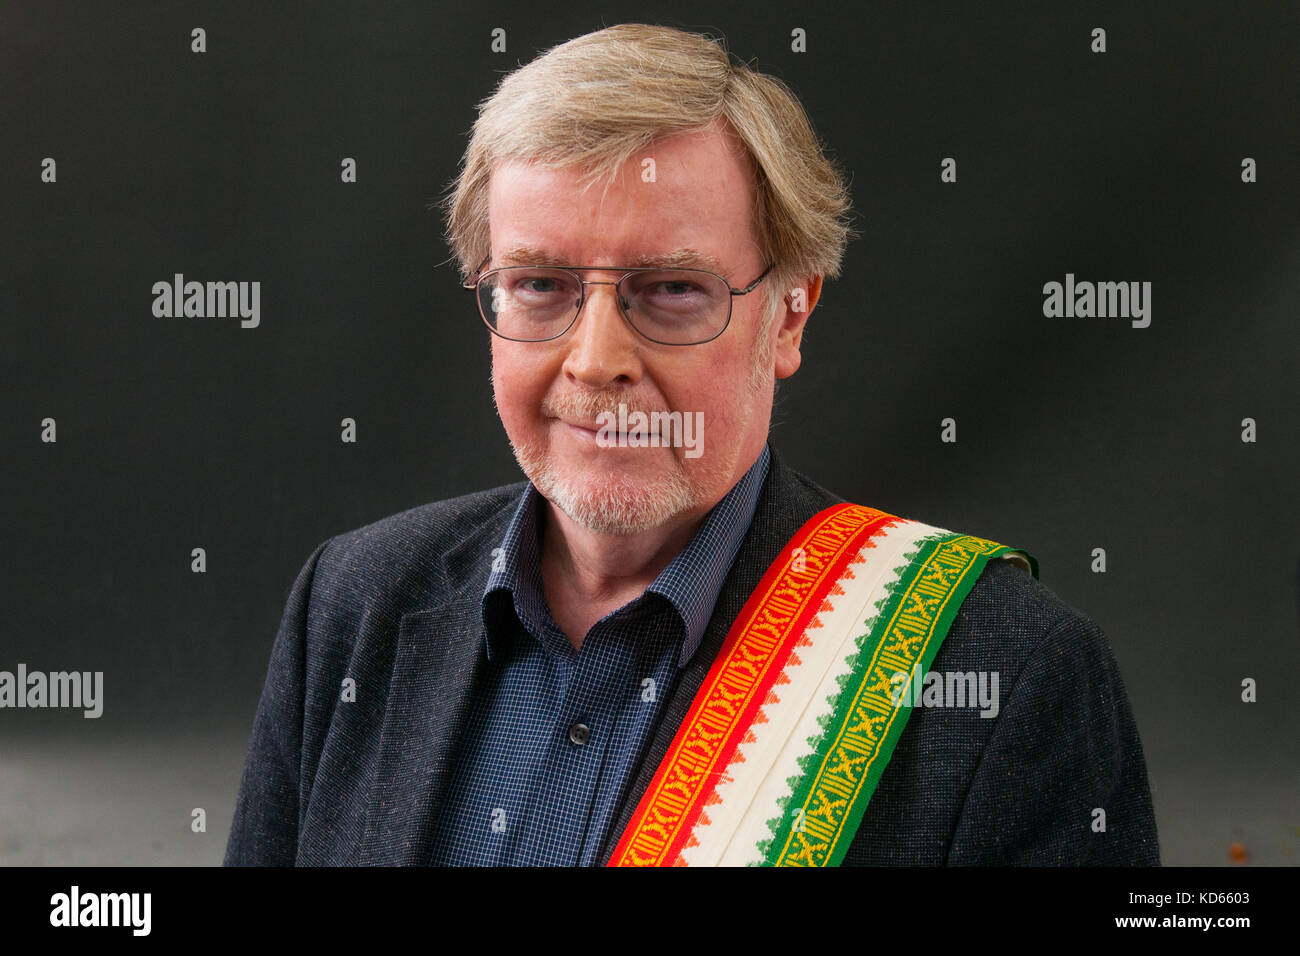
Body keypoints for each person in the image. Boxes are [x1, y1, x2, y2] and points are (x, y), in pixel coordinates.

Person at [224, 23, 1159, 866]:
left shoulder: (1008, 676)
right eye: (541, 284)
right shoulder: (351, 607)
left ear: (789, 315)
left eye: (671, 291)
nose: (595, 362)